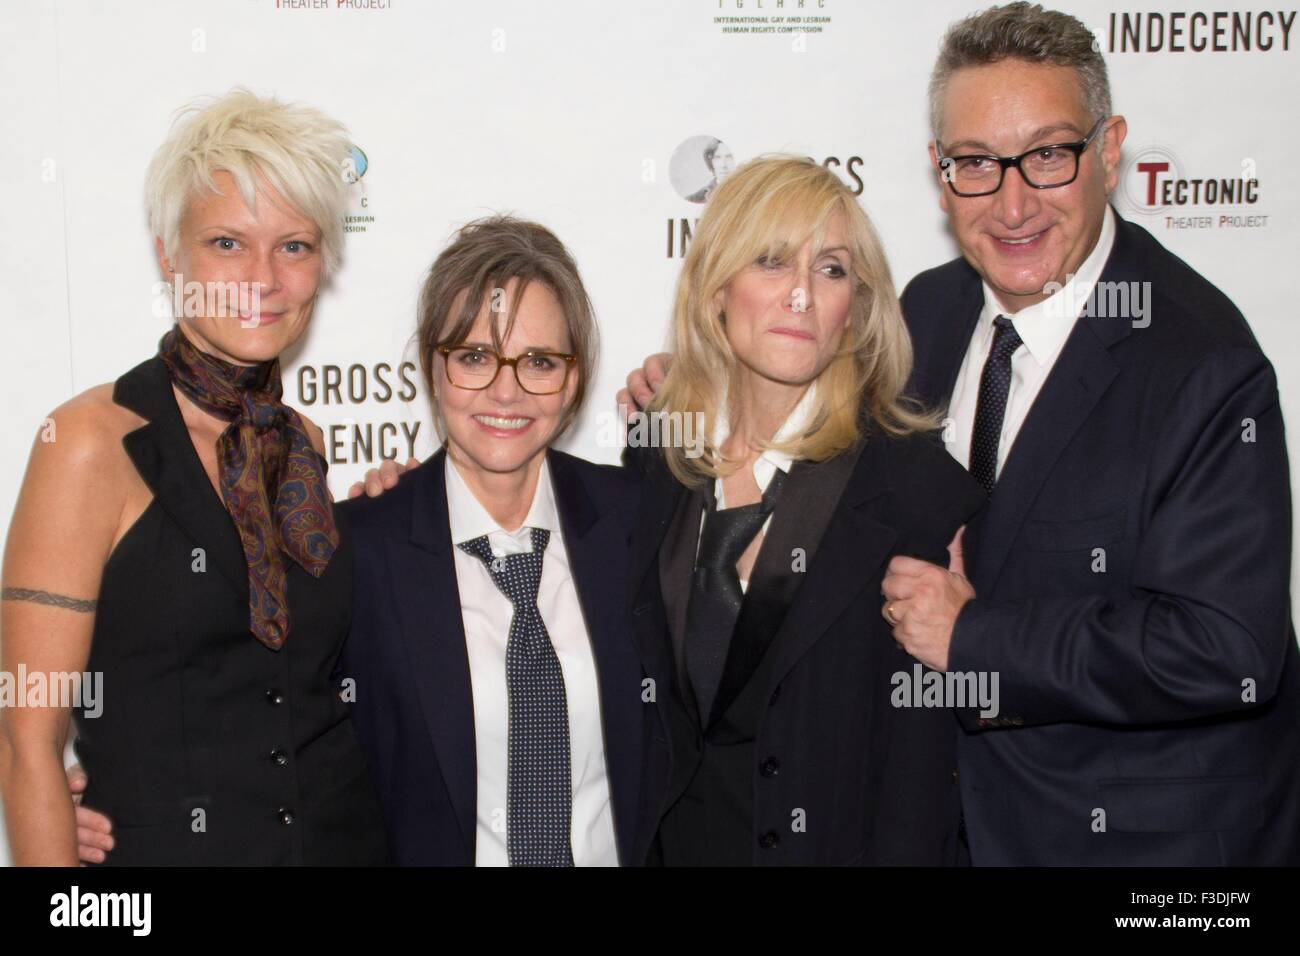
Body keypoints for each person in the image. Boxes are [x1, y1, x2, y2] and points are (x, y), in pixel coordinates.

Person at [624, 2, 1300, 865]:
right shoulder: (929, 316)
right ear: (940, 172)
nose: (1012, 203)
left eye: (1048, 156)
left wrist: (975, 639)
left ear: (1109, 148)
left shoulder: (1201, 363)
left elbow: (1227, 649)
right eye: (977, 163)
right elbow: (796, 410)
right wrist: (692, 387)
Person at [0, 89, 389, 865]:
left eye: (294, 246)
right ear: (169, 255)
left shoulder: (303, 443)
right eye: (225, 242)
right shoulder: (88, 442)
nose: (262, 278)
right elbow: (25, 740)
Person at [626, 155, 987, 865]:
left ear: (856, 306)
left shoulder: (916, 489)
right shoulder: (656, 456)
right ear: (714, 289)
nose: (800, 295)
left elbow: (929, 774)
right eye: (770, 262)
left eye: (829, 270)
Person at [337, 216, 645, 865]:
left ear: (573, 377)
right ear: (433, 367)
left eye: (538, 361)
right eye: (474, 357)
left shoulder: (638, 522)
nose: (506, 391)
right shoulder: (362, 549)